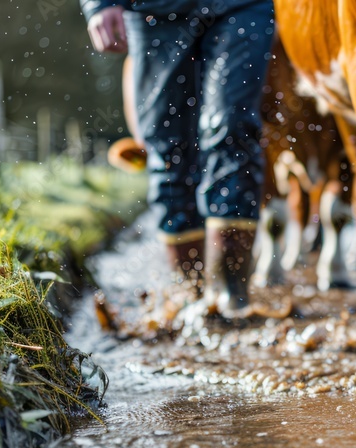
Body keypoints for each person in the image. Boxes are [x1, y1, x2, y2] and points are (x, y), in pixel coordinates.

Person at [81, 0, 274, 318]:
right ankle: (189, 292)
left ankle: (231, 296)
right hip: (154, 9)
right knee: (169, 147)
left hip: (243, 6)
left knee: (233, 129)